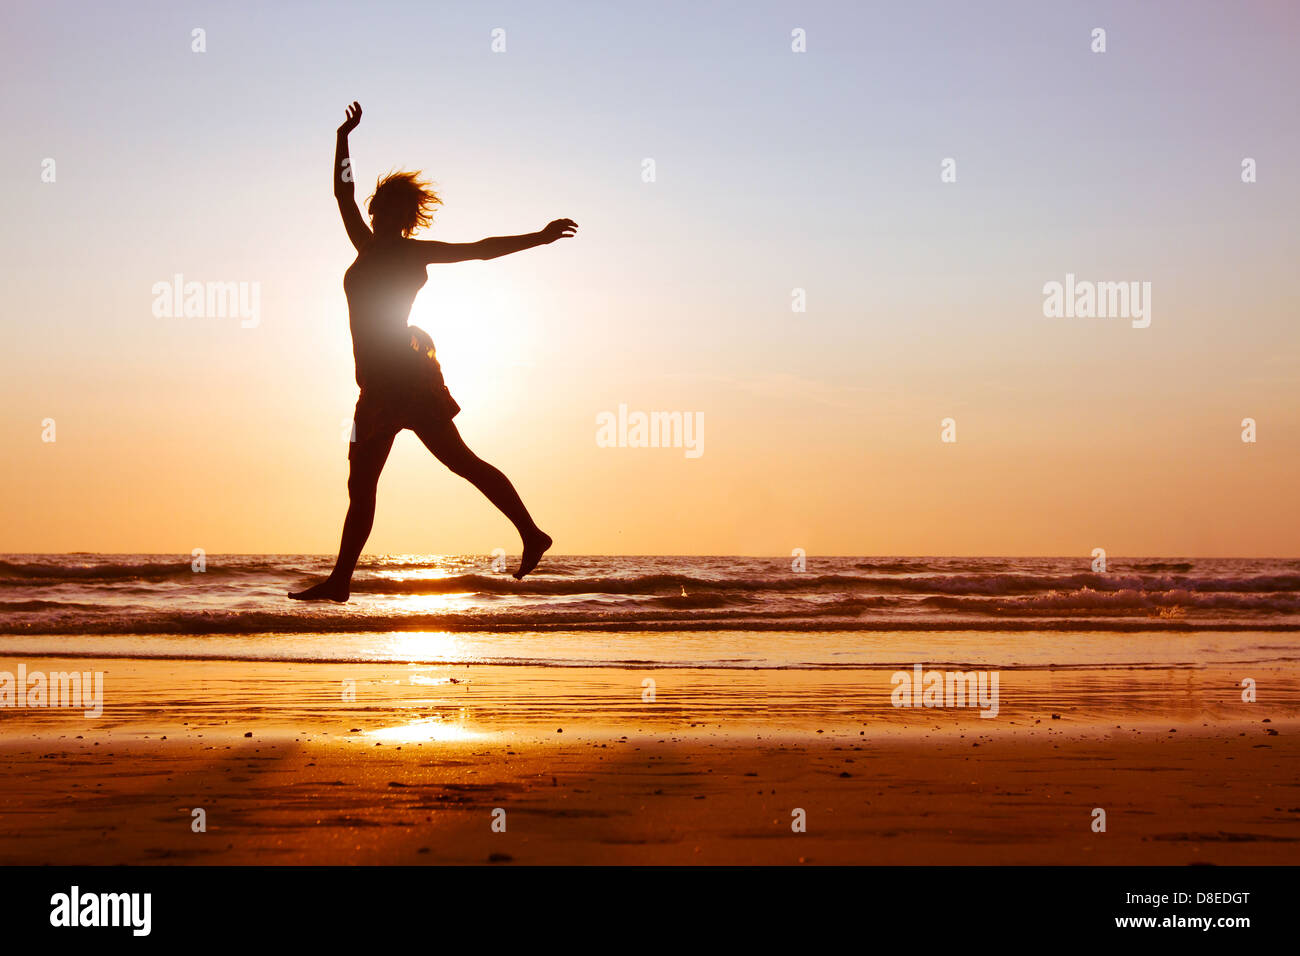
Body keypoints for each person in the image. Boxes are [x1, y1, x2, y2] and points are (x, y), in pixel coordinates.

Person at [290, 102, 574, 601]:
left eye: (394, 211)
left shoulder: (409, 251)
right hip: (376, 386)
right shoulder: (365, 245)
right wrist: (343, 138)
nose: (382, 215)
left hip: (405, 381)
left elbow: (482, 248)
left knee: (458, 463)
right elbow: (343, 190)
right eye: (383, 209)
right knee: (364, 485)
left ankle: (531, 534)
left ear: (403, 217)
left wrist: (540, 238)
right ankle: (341, 581)